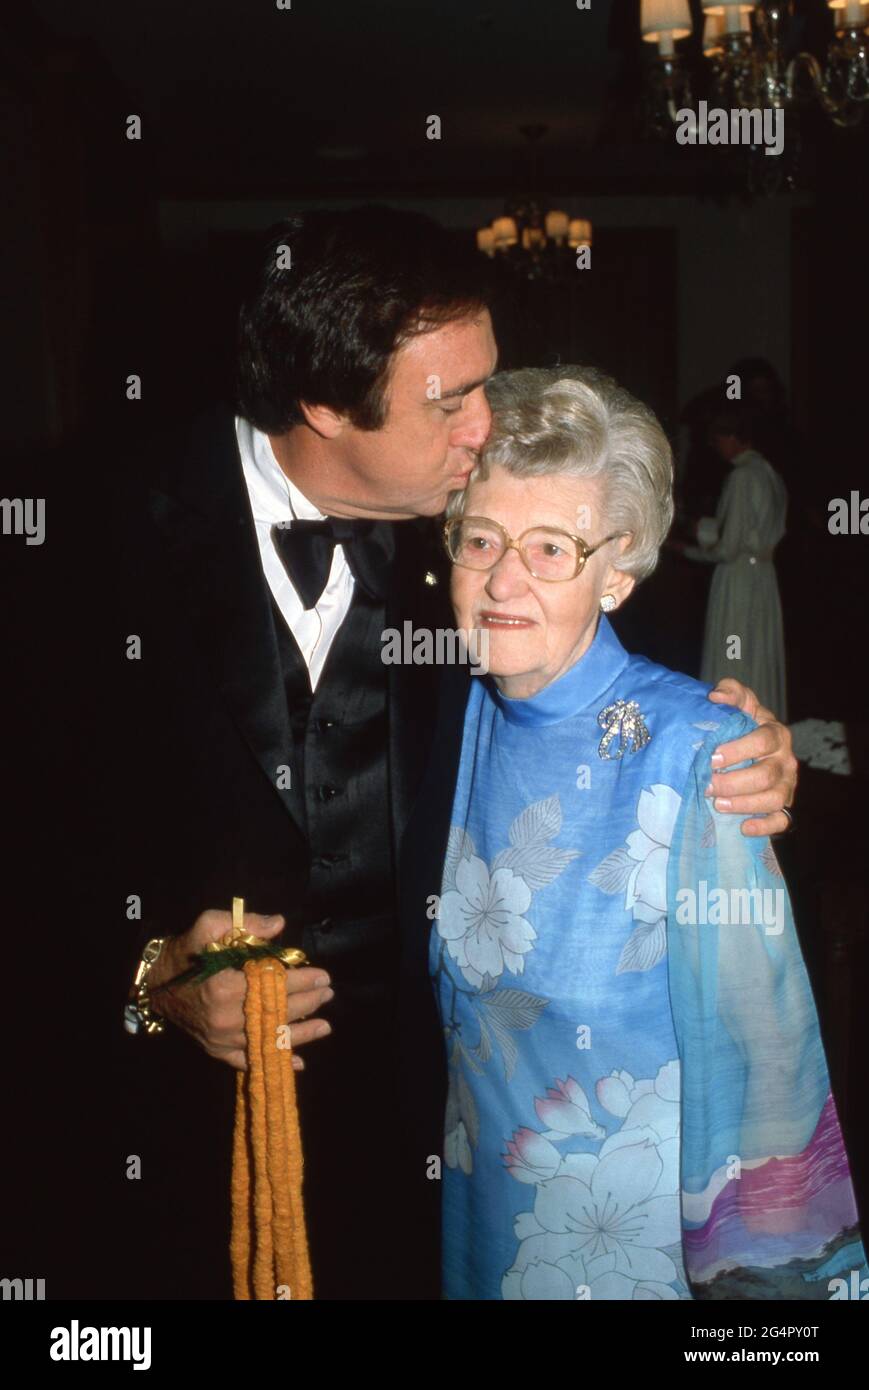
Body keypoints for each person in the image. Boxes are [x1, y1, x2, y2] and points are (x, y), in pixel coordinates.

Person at [103, 209, 796, 1301]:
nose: (485, 423)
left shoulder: (459, 559)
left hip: (440, 1163)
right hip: (171, 1161)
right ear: (327, 404)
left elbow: (576, 659)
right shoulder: (92, 552)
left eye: (488, 382)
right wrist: (146, 984)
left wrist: (730, 742)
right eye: (451, 399)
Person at [407, 366, 864, 1300]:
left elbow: (760, 1066)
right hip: (477, 1217)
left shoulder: (700, 755)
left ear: (618, 568)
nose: (500, 580)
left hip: (632, 1248)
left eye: (549, 550)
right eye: (480, 539)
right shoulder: (438, 715)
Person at [684, 403, 788, 719]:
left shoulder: (743, 476)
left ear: (732, 436)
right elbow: (749, 531)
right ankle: (758, 716)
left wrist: (686, 549)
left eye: (718, 438)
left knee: (735, 650)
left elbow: (729, 548)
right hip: (762, 576)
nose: (715, 447)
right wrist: (702, 528)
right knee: (755, 650)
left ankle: (731, 720)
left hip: (739, 579)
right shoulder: (769, 474)